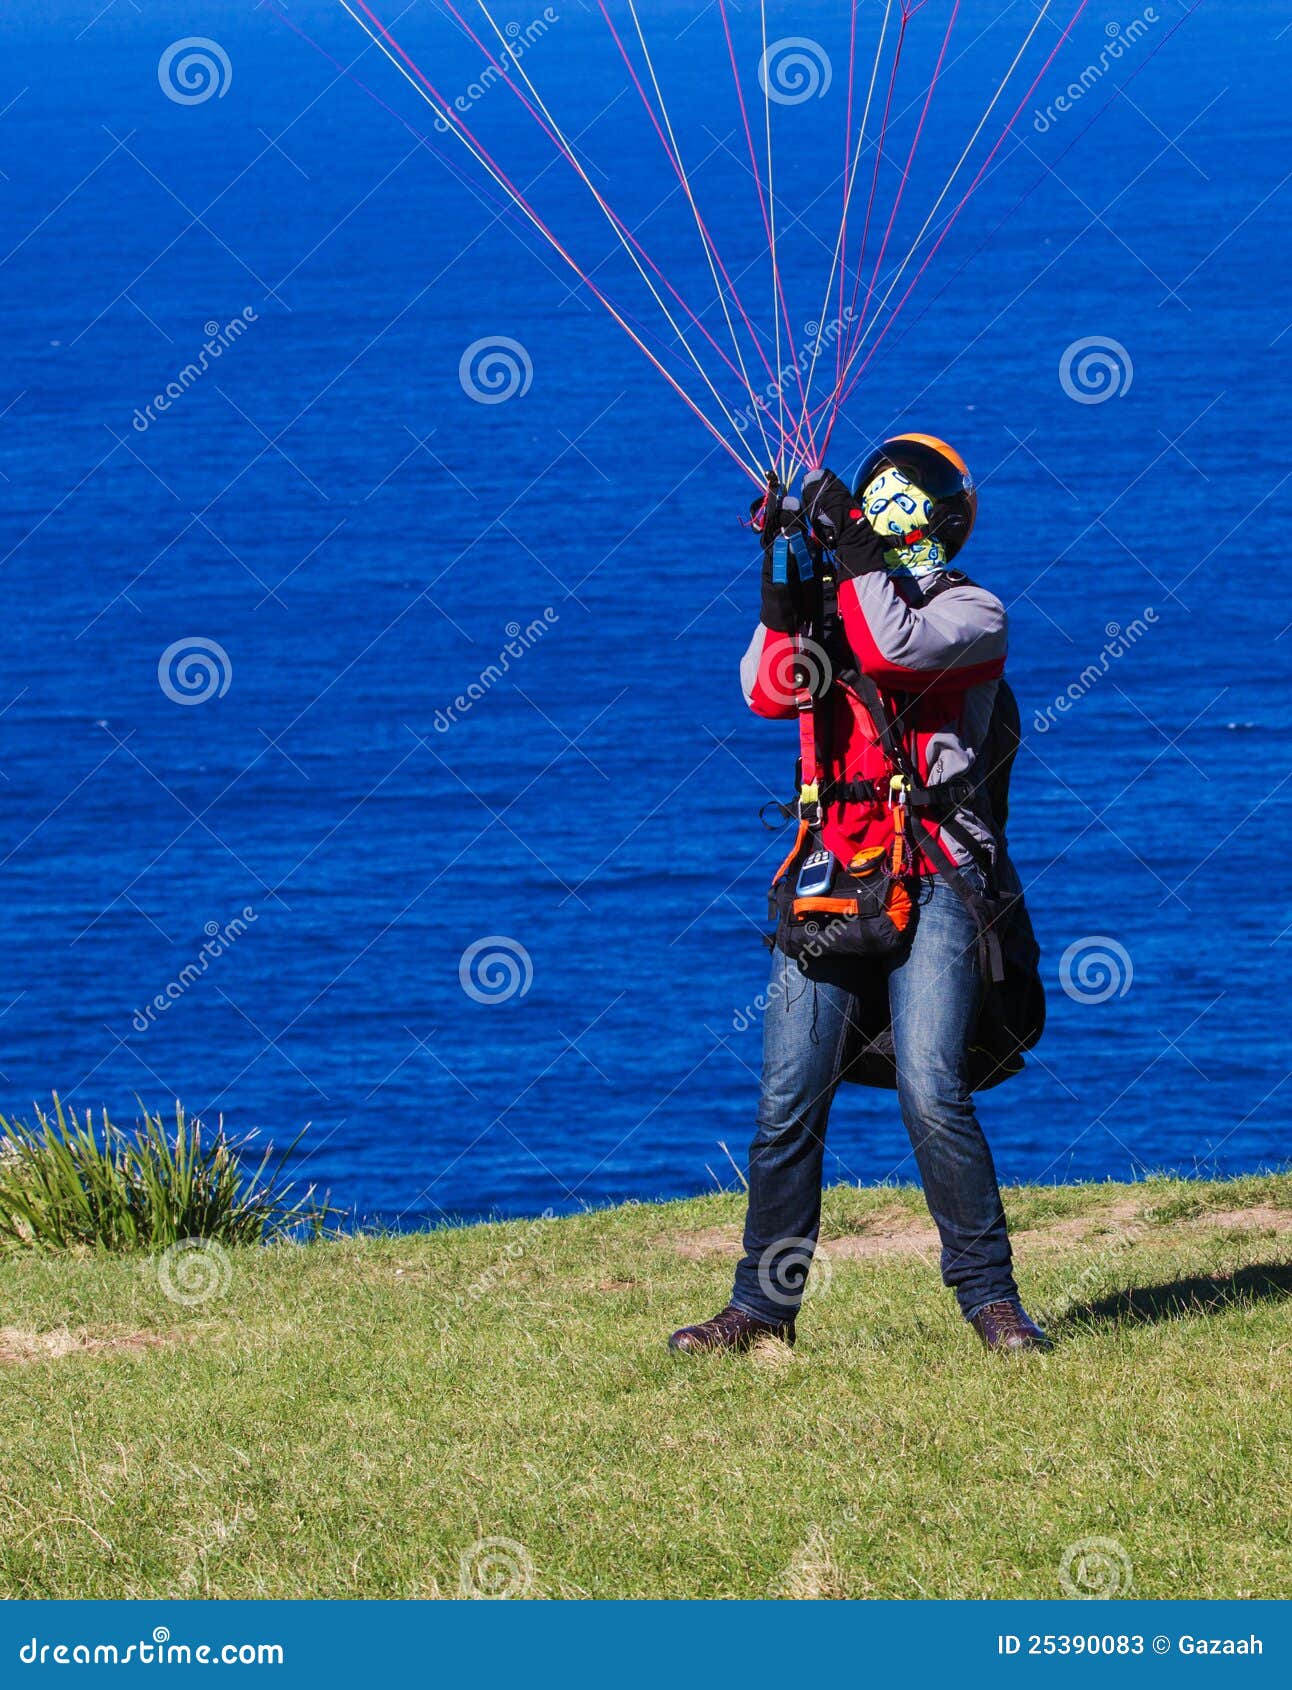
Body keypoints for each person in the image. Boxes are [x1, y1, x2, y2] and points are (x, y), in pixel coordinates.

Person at [669, 434, 1049, 1357]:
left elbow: (892, 644)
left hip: (933, 873)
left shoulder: (973, 611)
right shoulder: (846, 605)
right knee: (786, 1102)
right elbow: (768, 690)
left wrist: (848, 556)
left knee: (931, 1087)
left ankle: (992, 1302)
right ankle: (761, 1311)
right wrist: (786, 580)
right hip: (832, 875)